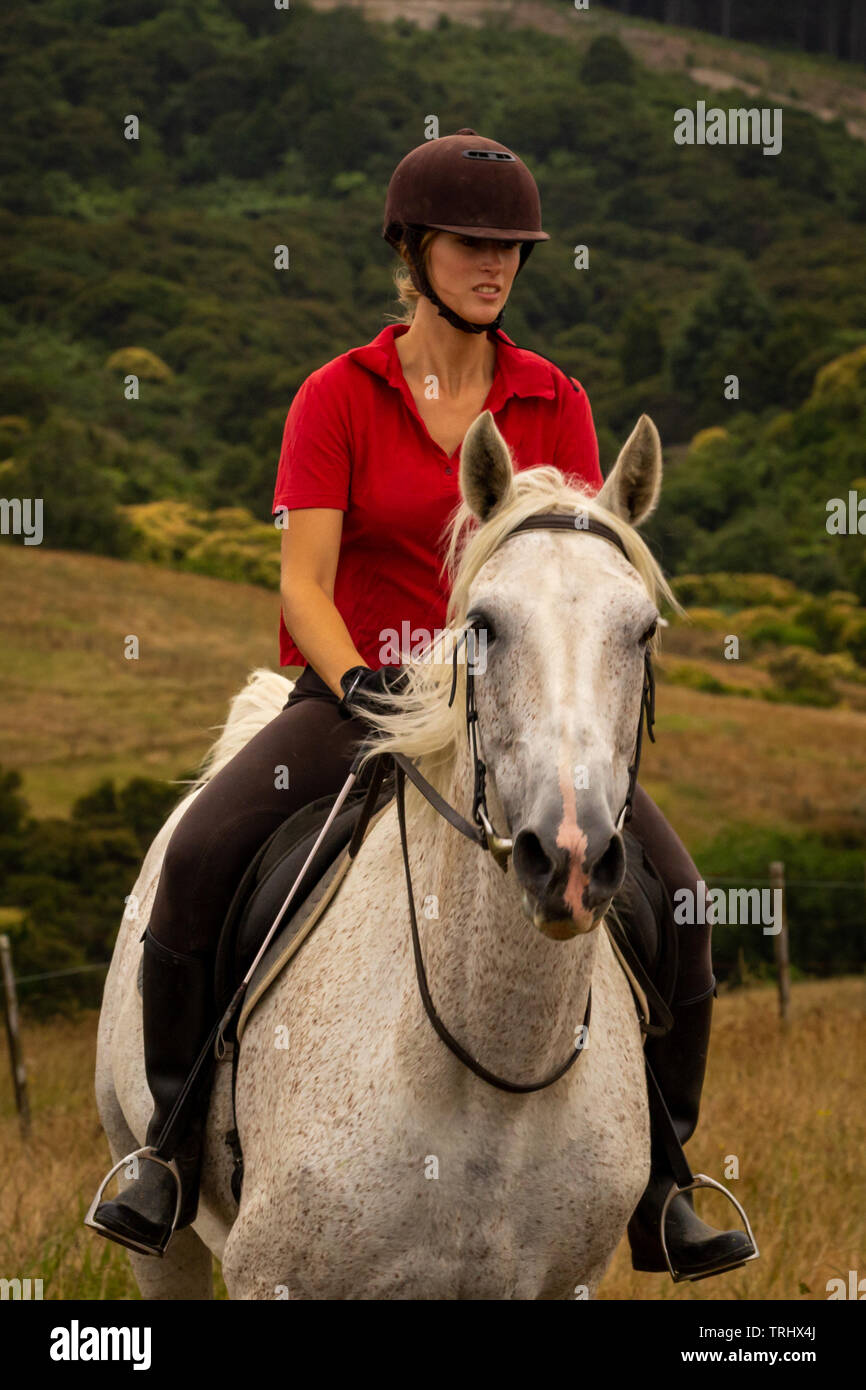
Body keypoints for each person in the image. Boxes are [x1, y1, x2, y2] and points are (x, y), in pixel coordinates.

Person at [88, 128, 754, 1281]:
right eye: (468, 243)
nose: (493, 264)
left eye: (510, 248)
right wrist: (356, 680)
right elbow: (301, 578)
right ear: (413, 249)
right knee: (197, 856)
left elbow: (577, 571)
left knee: (683, 898)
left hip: (510, 709)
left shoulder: (555, 398)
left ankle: (662, 1185)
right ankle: (165, 1152)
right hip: (356, 693)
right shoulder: (336, 396)